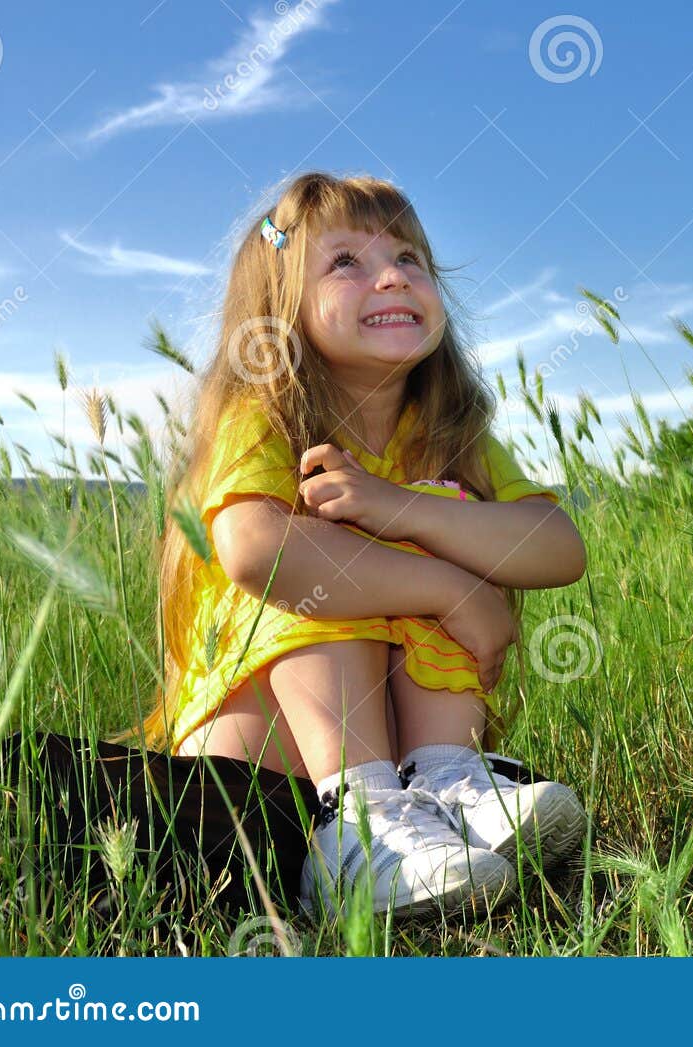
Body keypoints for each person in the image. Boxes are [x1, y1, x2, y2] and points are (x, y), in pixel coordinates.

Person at [116, 171, 589, 921]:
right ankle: (359, 831)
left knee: (450, 519)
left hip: (404, 755)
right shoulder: (263, 413)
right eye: (347, 262)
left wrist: (403, 508)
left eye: (410, 257)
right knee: (322, 545)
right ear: (281, 308)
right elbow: (253, 549)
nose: (392, 274)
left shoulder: (449, 433)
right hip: (259, 763)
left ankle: (450, 782)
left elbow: (558, 548)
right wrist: (449, 589)